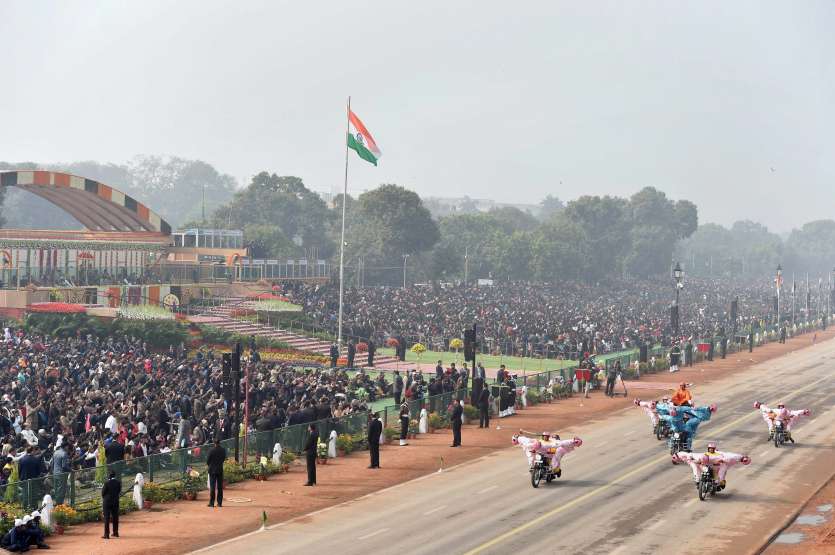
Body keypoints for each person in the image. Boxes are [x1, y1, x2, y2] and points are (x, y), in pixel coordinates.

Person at [101, 470, 121, 539]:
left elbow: (103, 493)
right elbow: (119, 491)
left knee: (107, 517)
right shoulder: (118, 482)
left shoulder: (106, 483)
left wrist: (106, 498)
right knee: (115, 517)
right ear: (114, 475)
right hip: (115, 501)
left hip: (107, 502)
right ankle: (116, 532)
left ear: (109, 476)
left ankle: (106, 534)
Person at [206, 439, 226, 507]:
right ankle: (219, 503)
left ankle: (211, 503)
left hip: (212, 470)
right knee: (220, 487)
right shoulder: (223, 450)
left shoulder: (211, 450)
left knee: (212, 487)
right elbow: (223, 459)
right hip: (220, 469)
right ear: (219, 443)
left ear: (214, 443)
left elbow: (208, 461)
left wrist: (210, 465)